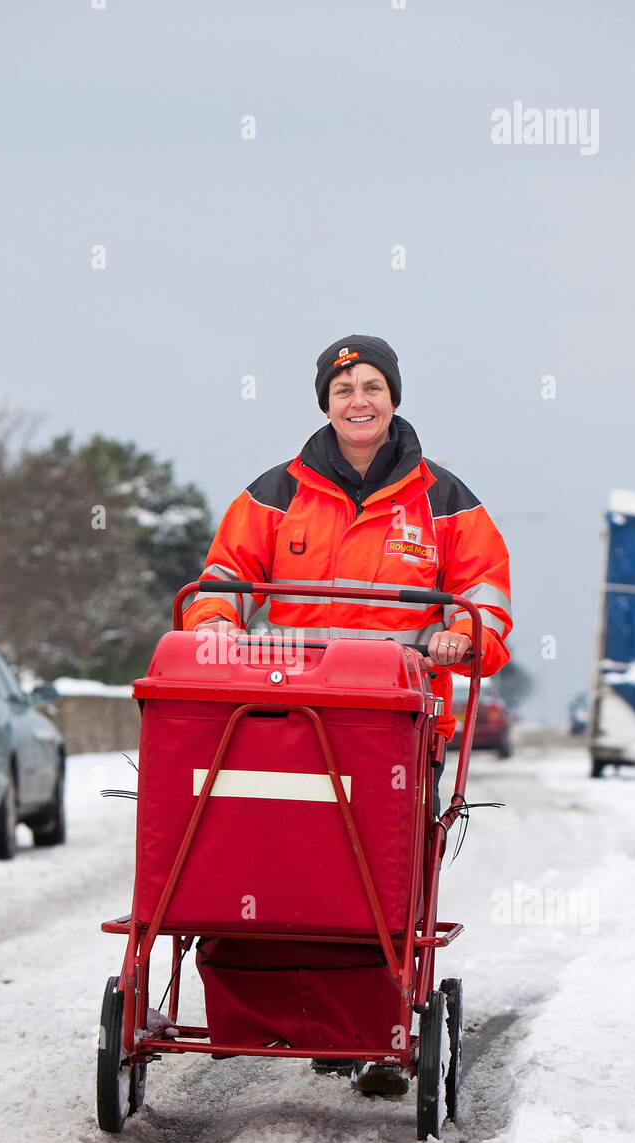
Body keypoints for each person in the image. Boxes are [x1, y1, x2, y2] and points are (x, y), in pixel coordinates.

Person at [183, 334, 512, 1093]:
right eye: (342, 392)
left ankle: (372, 1022)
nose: (357, 402)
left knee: (378, 880)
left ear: (393, 396)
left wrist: (459, 638)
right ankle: (279, 998)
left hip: (395, 727)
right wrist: (214, 624)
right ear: (323, 404)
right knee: (276, 859)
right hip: (286, 717)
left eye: (371, 387)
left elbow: (485, 598)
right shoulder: (274, 492)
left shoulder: (446, 502)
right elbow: (225, 574)